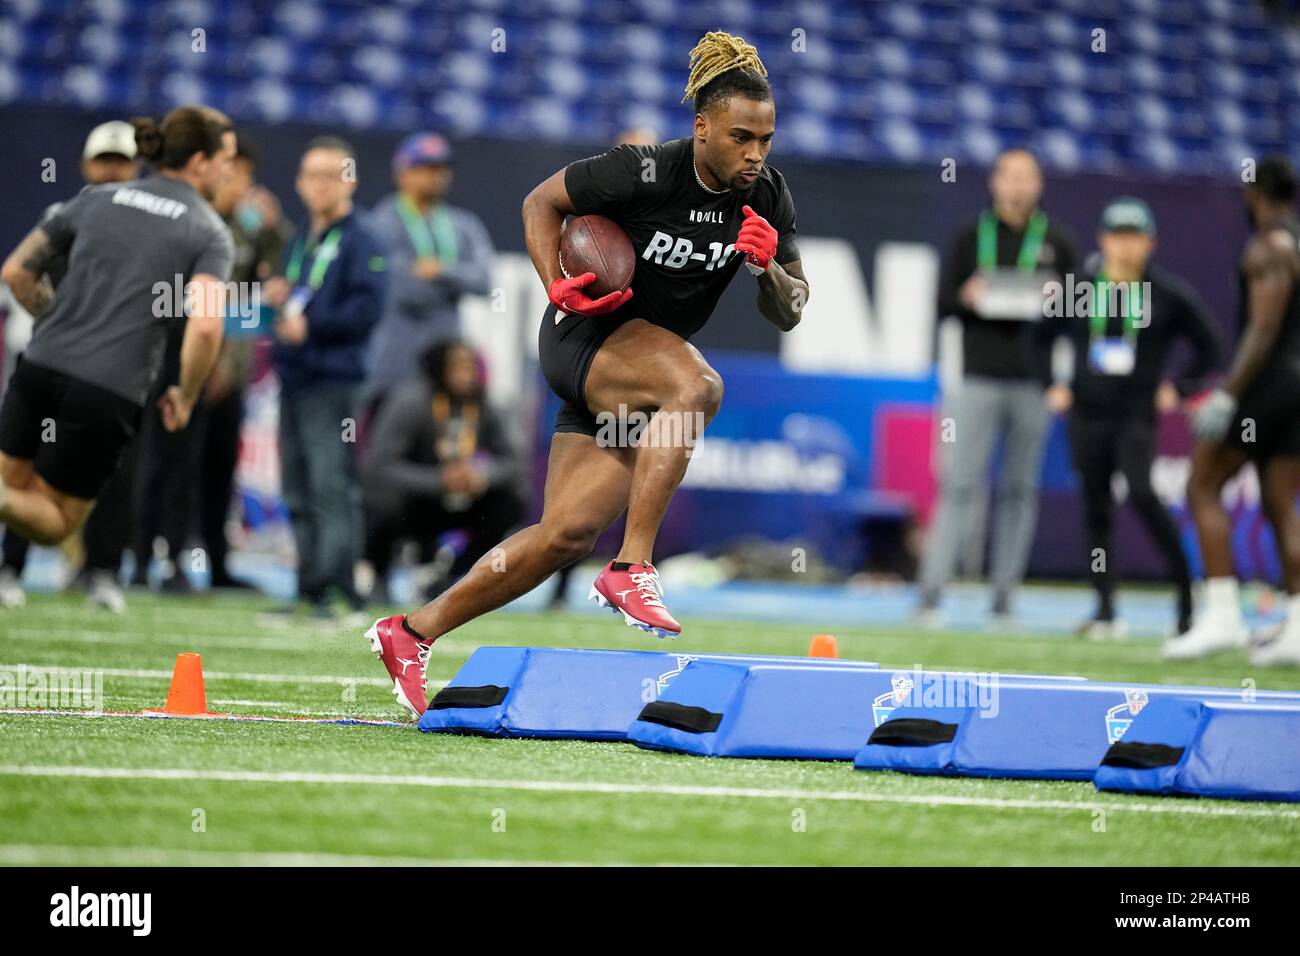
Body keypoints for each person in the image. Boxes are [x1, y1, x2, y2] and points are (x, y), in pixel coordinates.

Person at [364, 31, 809, 717]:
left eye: (767, 140)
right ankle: (632, 566)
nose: (755, 153)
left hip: (635, 375)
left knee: (562, 535)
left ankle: (412, 631)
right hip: (585, 338)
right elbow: (540, 203)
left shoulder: (767, 197)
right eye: (741, 137)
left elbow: (792, 310)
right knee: (698, 388)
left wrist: (769, 270)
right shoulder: (642, 171)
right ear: (702, 127)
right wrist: (555, 284)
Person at [0, 107, 233, 551]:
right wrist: (185, 394)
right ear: (200, 162)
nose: (229, 171)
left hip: (39, 365)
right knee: (55, 524)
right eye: (226, 159)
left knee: (10, 492)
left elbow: (15, 272)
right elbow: (205, 327)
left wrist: (56, 320)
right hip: (108, 388)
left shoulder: (94, 199)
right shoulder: (208, 230)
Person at [1044, 198, 1221, 639]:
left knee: (1143, 493)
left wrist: (1178, 388)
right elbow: (1036, 336)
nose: (1124, 246)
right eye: (1117, 236)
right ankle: (1105, 609)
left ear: (1150, 243)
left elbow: (1211, 345)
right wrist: (1052, 383)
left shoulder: (1165, 293)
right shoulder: (1080, 289)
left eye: (1134, 237)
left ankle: (1186, 596)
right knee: (1095, 506)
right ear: (1103, 239)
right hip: (1087, 415)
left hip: (1135, 416)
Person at [917, 147, 1078, 625]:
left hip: (1033, 382)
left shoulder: (1059, 243)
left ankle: (1005, 597)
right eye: (1009, 176)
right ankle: (931, 594)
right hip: (976, 379)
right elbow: (941, 302)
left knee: (1019, 490)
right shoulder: (971, 236)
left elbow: (1076, 316)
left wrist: (1057, 301)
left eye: (1026, 177)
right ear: (995, 182)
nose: (1017, 185)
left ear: (1038, 185)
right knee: (959, 484)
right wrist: (966, 296)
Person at [0, 119, 141, 611]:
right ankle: (10, 567)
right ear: (86, 164)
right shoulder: (64, 214)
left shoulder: (150, 227)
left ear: (136, 166)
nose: (112, 170)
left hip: (116, 373)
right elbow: (20, 274)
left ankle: (101, 572)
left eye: (121, 161)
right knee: (27, 466)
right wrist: (64, 323)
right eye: (105, 160)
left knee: (113, 474)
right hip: (54, 366)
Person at [1168, 157, 1300, 665]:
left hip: (1267, 386)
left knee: (1201, 483)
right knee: (1280, 501)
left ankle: (1222, 615)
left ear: (1255, 194)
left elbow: (1263, 329)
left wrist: (1229, 393)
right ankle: (1294, 629)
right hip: (1297, 388)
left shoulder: (1269, 246)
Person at [264, 136, 387, 619]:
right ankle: (308, 586)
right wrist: (281, 294)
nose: (318, 184)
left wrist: (311, 325)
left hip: (333, 379)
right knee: (297, 487)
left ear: (349, 181)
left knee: (330, 486)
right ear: (298, 181)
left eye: (329, 175)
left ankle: (338, 589)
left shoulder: (363, 238)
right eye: (310, 175)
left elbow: (368, 309)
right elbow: (306, 292)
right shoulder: (301, 239)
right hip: (294, 375)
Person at [194, 134, 287, 590]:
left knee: (219, 465)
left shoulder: (250, 229)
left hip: (232, 365)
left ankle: (215, 562)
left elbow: (272, 282)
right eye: (231, 173)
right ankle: (160, 555)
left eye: (245, 175)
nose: (239, 184)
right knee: (172, 465)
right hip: (189, 361)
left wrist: (272, 228)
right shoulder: (197, 221)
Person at [363, 339, 523, 604]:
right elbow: (381, 467)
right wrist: (439, 480)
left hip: (463, 497)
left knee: (510, 503)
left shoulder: (483, 404)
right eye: (458, 367)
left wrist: (482, 476)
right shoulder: (410, 402)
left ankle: (451, 576)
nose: (467, 374)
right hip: (416, 500)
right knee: (382, 500)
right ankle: (378, 575)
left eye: (471, 366)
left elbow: (513, 463)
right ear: (439, 369)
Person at [363, 132, 495, 404]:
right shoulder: (381, 222)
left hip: (446, 364)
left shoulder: (463, 224)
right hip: (394, 364)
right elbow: (404, 289)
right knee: (387, 444)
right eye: (424, 168)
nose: (435, 176)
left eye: (441, 169)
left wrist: (442, 271)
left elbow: (484, 280)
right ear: (402, 173)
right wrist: (454, 287)